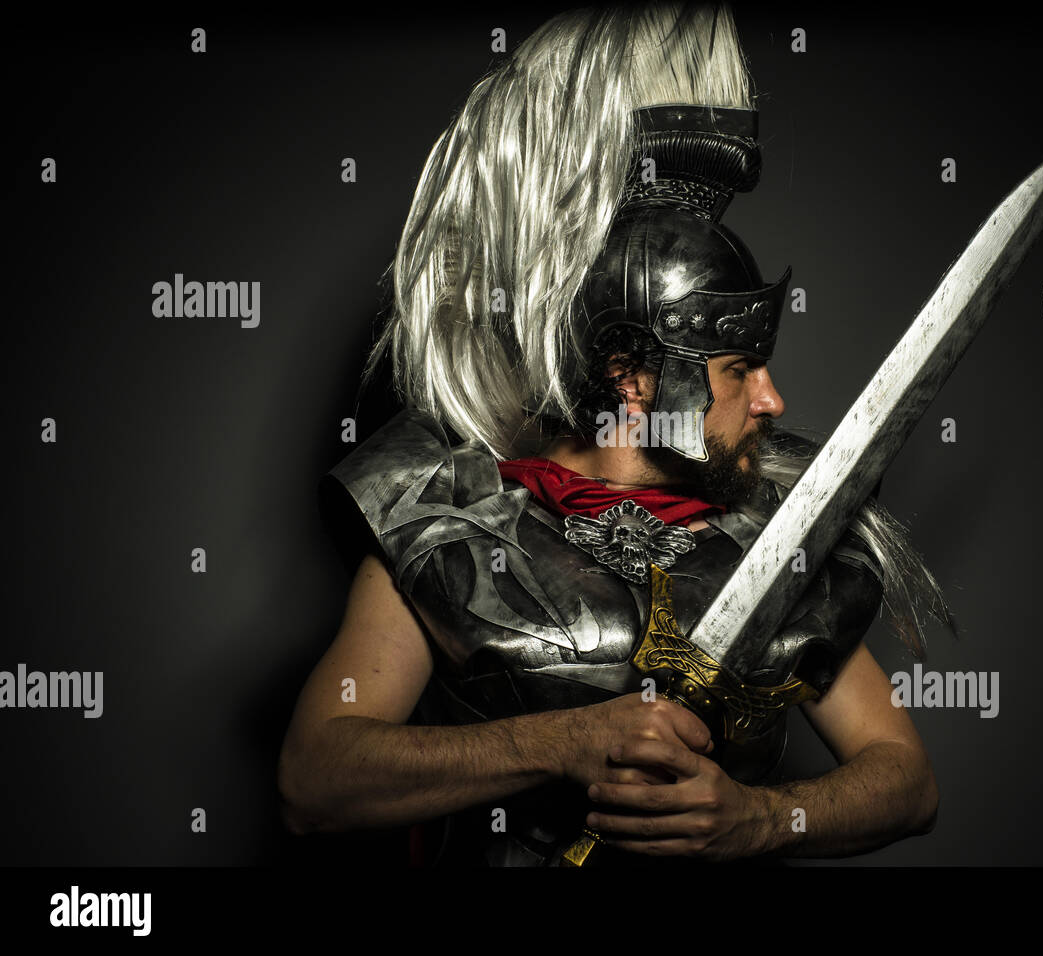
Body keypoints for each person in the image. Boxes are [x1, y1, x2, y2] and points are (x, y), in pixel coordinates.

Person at [278, 2, 952, 867]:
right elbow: (314, 780)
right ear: (631, 376)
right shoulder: (448, 513)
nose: (773, 399)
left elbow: (907, 782)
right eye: (739, 369)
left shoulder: (780, 536)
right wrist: (563, 742)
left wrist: (758, 818)